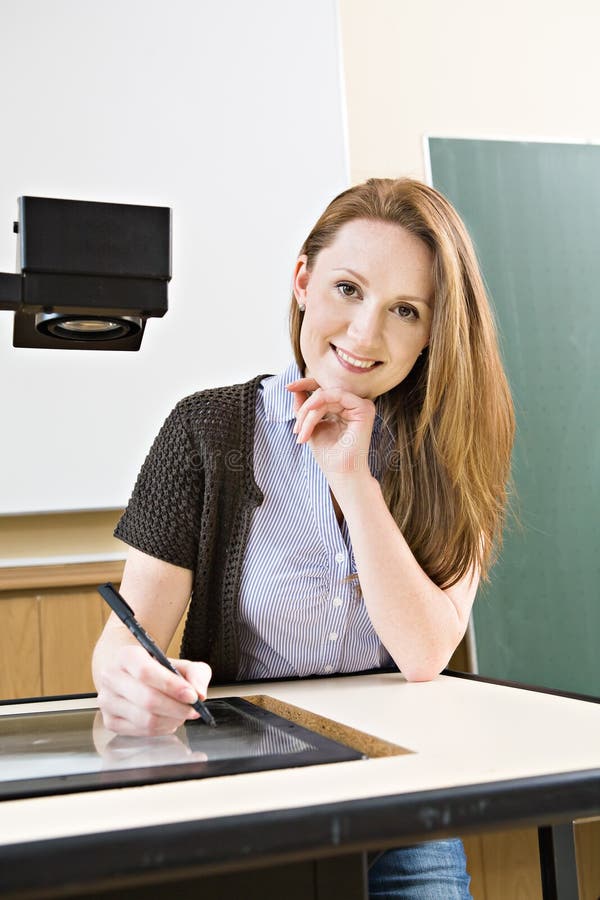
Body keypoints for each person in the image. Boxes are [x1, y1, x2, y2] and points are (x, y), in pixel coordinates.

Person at [92, 177, 514, 899]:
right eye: (348, 289)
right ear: (302, 281)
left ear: (432, 333)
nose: (364, 334)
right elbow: (126, 643)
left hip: (402, 797)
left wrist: (354, 480)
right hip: (248, 798)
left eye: (404, 311)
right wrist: (128, 683)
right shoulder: (206, 430)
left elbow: (423, 653)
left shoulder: (455, 446)